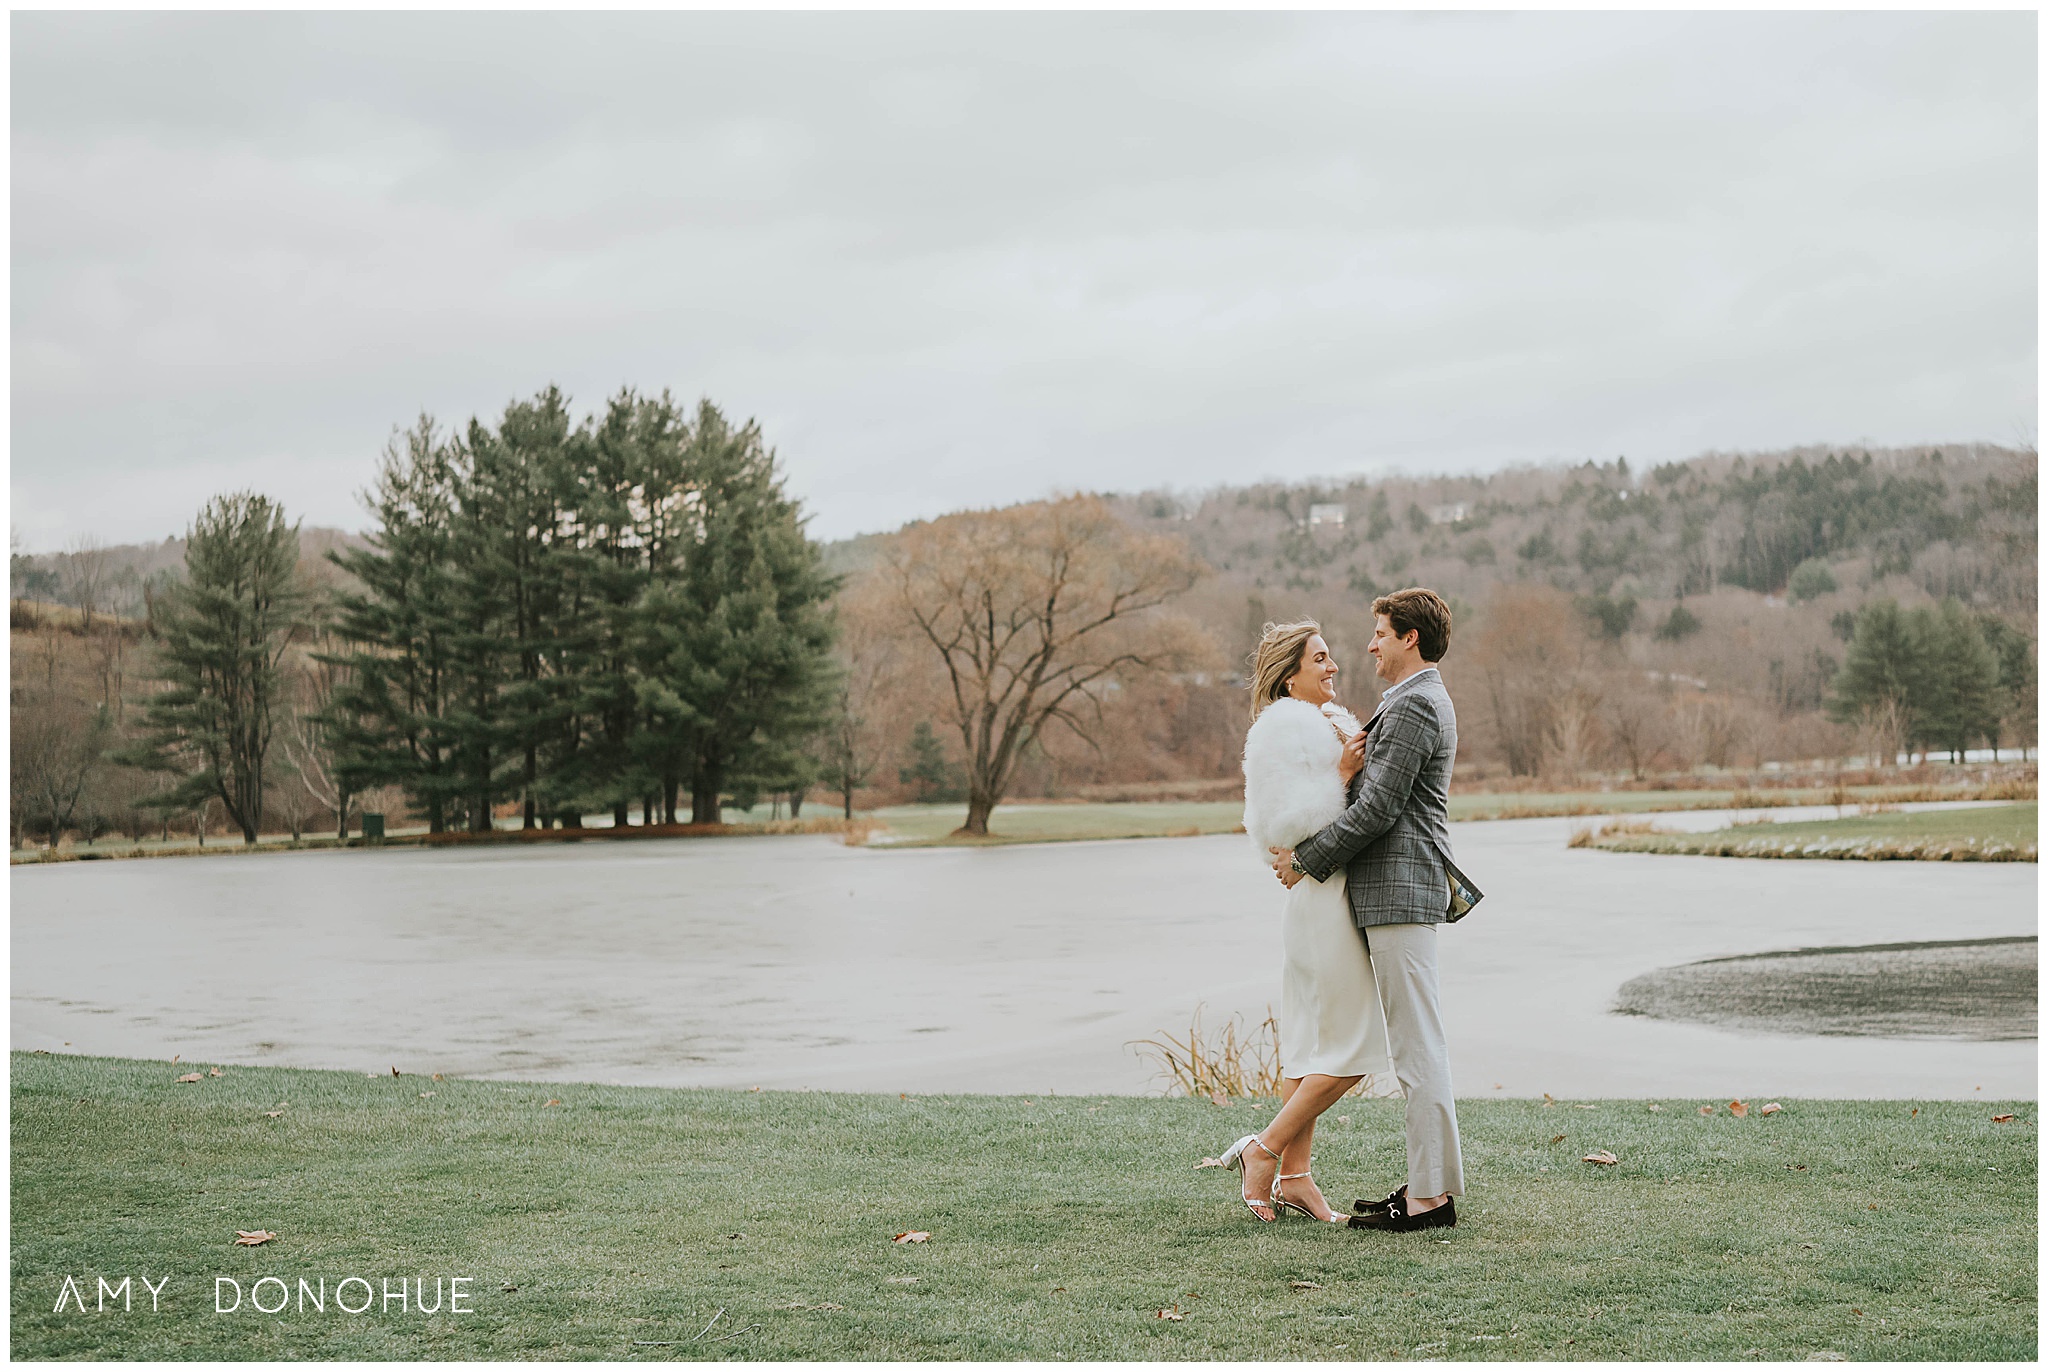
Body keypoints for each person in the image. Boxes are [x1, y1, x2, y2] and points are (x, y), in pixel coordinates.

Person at [1269, 587, 1474, 1234]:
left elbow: (1379, 810)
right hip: (1394, 895)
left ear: (1409, 637)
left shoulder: (1415, 706)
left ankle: (1428, 1202)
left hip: (1401, 893)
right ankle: (1428, 1189)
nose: (1370, 645)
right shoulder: (1406, 703)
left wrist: (1305, 861)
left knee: (1417, 1051)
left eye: (1380, 633)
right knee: (1418, 1047)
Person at [1221, 620, 1388, 1223]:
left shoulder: (1329, 722)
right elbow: (1278, 827)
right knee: (1350, 1047)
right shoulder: (1281, 729)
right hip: (1320, 900)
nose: (1333, 666)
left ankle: (1296, 1178)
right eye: (1320, 658)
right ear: (1290, 674)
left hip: (1332, 890)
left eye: (1331, 656)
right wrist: (1342, 776)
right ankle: (1263, 1153)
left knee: (1308, 1048)